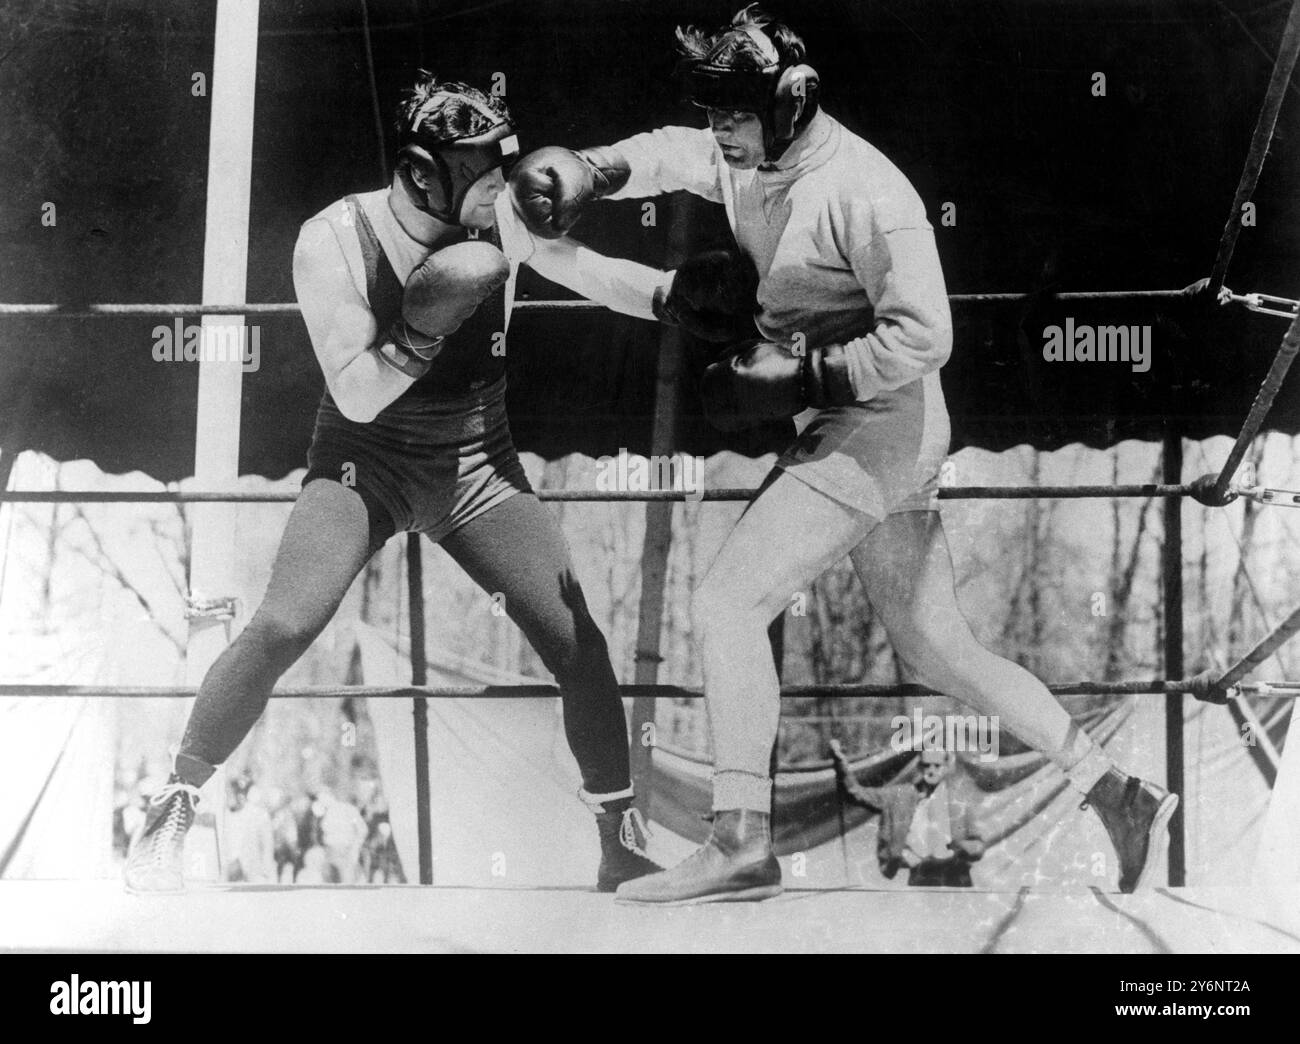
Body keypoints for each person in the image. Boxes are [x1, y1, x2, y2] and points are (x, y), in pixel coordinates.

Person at [510, 3, 1178, 904]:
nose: (720, 136)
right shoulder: (742, 147)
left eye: (734, 117)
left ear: (789, 103)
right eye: (714, 116)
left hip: (880, 424)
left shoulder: (869, 191)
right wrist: (594, 169)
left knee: (730, 599)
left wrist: (803, 378)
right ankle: (1115, 789)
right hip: (865, 428)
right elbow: (672, 152)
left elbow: (927, 335)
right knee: (937, 644)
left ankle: (740, 837)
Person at [124, 73, 677, 895]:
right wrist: (420, 329)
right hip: (364, 460)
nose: (504, 193)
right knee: (285, 622)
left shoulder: (504, 220)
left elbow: (593, 273)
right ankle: (171, 806)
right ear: (426, 173)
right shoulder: (333, 238)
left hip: (478, 464)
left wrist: (677, 298)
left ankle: (617, 836)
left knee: (577, 640)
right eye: (485, 176)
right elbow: (354, 391)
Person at [829, 739, 984, 887]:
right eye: (926, 765)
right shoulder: (898, 796)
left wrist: (959, 848)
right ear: (919, 768)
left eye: (937, 766)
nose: (931, 770)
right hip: (917, 880)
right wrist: (841, 766)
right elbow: (856, 794)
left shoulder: (960, 803)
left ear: (946, 768)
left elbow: (978, 846)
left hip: (955, 881)